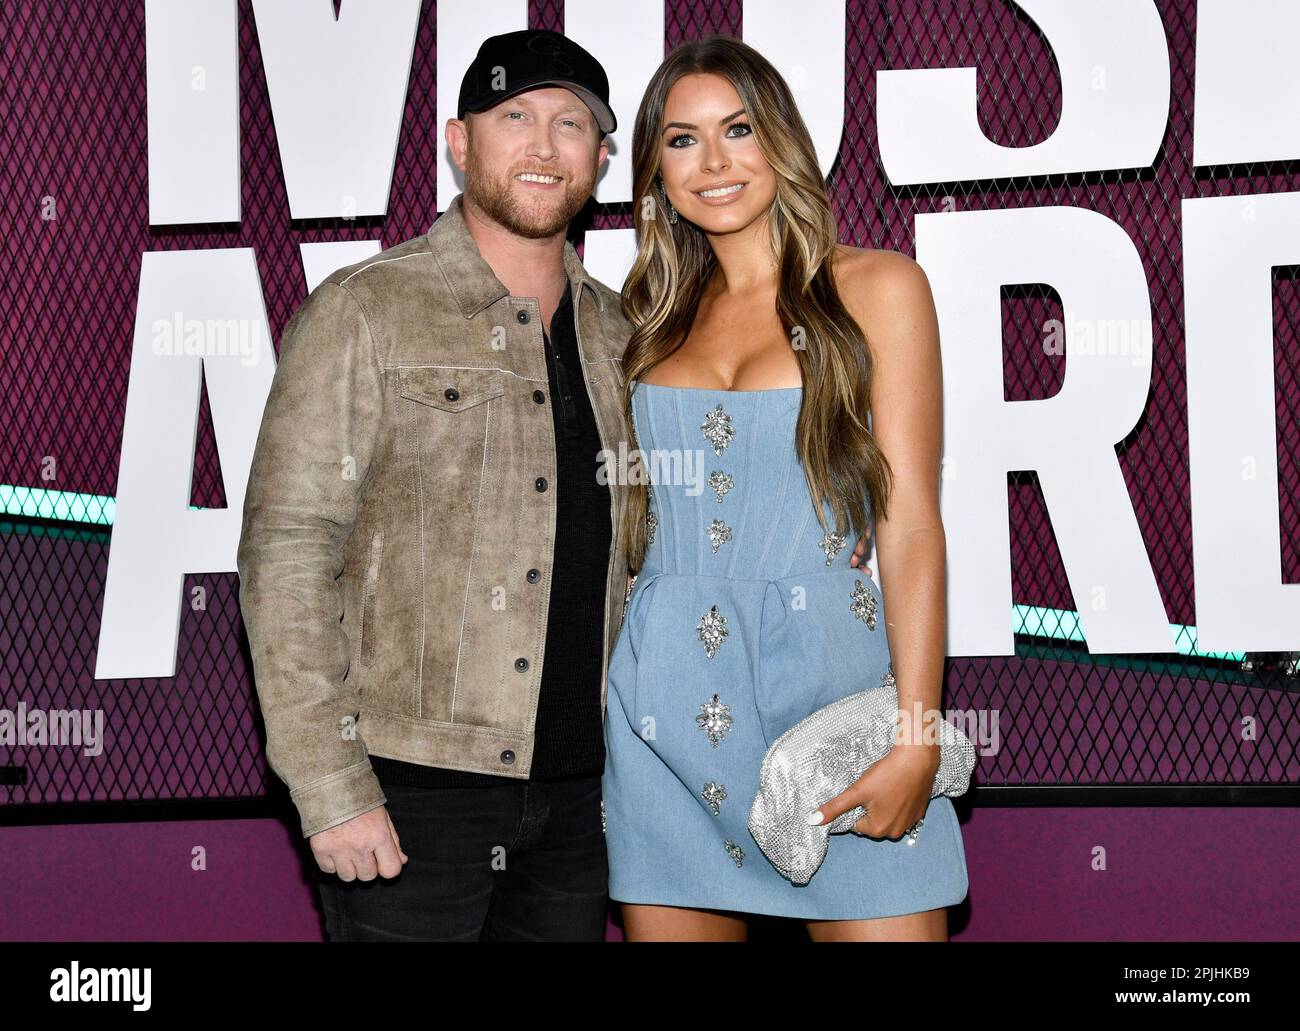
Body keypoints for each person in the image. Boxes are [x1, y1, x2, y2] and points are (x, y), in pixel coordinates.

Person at [237, 29, 634, 941]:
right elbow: (288, 549)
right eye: (515, 117)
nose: (543, 145)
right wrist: (331, 784)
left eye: (571, 124)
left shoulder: (624, 334)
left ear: (601, 159)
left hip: (583, 805)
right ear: (460, 142)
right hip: (411, 792)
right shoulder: (367, 308)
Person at [601, 35, 969, 942]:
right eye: (682, 140)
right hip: (661, 720)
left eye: (738, 129)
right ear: (652, 170)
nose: (714, 162)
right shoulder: (642, 320)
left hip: (830, 705)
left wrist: (917, 732)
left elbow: (911, 526)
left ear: (783, 142)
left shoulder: (877, 288)